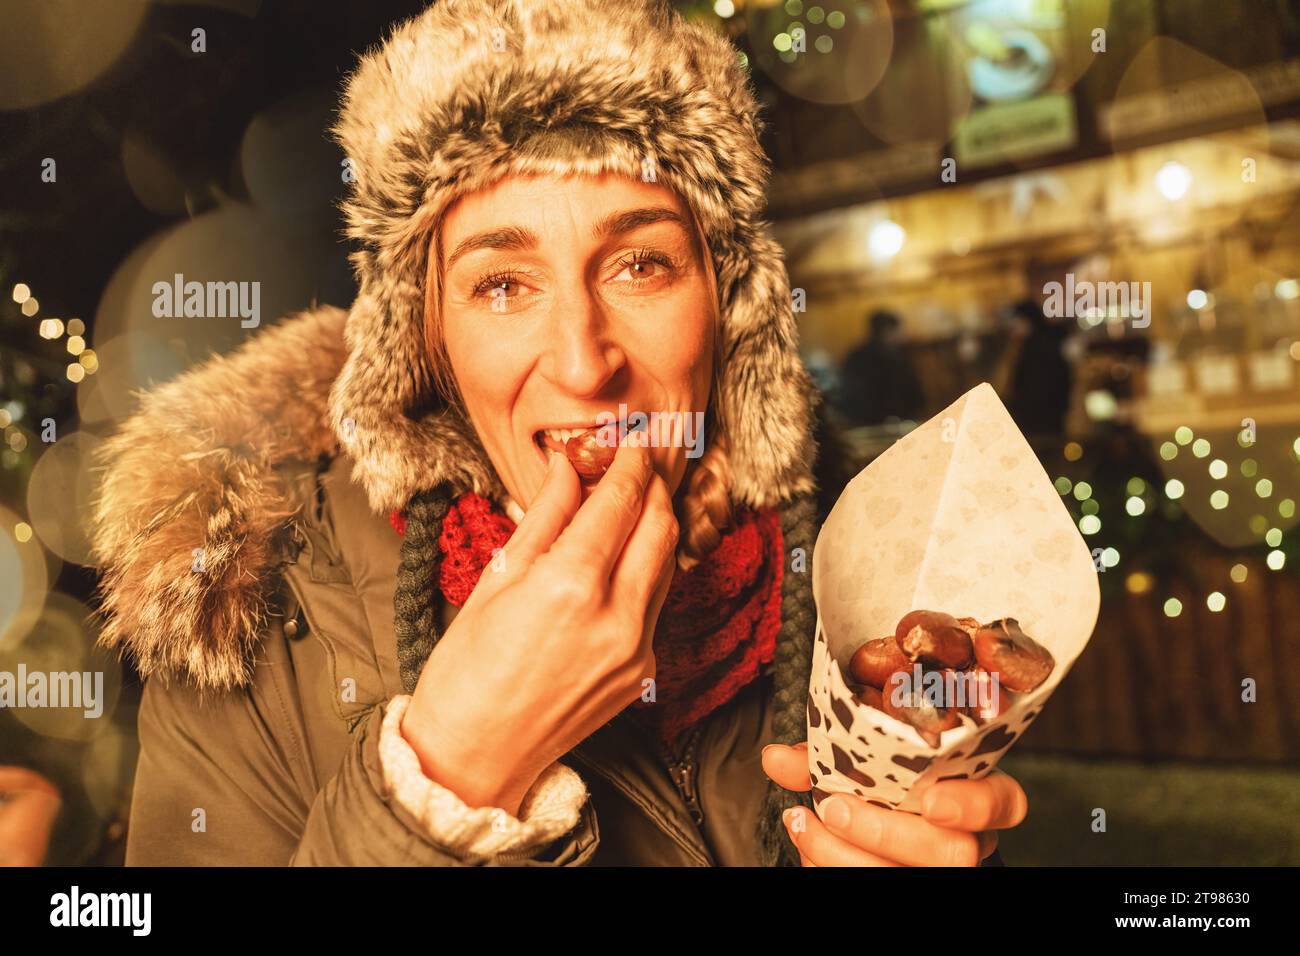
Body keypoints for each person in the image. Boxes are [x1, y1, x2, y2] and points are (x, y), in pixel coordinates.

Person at [88, 0, 1024, 867]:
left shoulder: (880, 575)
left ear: (731, 304)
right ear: (427, 341)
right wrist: (447, 775)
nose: (583, 364)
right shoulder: (251, 623)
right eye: (502, 284)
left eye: (642, 264)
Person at [838, 310, 926, 426]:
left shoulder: (857, 355)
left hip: (865, 421)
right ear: (887, 330)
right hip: (882, 421)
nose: (901, 335)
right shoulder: (891, 356)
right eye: (897, 331)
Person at [1005, 298, 1073, 436]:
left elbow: (1039, 389)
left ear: (1027, 321)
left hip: (1041, 422)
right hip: (1047, 419)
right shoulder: (1032, 346)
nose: (1012, 326)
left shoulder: (1039, 349)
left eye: (1016, 321)